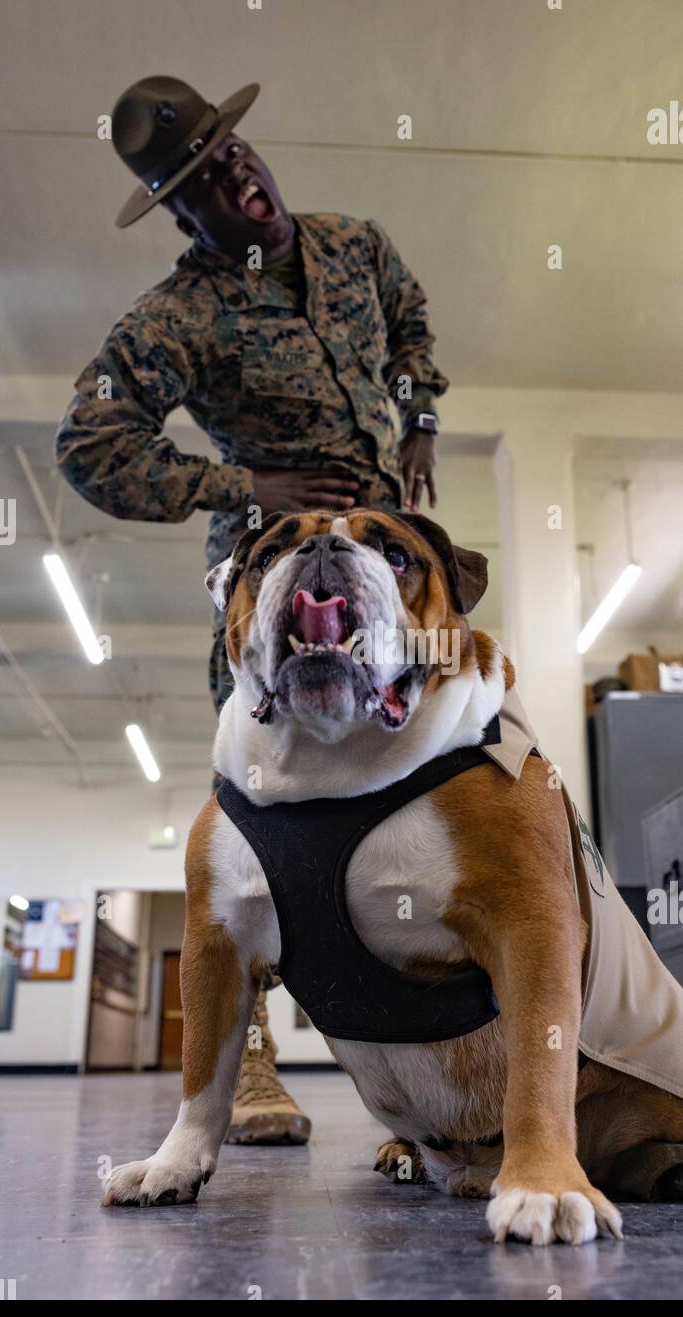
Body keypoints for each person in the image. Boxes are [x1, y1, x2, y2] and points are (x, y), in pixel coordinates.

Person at [56, 76, 449, 1144]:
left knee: (417, 777)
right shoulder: (176, 316)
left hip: (383, 565)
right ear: (183, 216)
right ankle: (256, 1062)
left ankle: (432, 1055)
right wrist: (244, 488)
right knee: (260, 805)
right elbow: (89, 447)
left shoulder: (352, 245)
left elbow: (412, 325)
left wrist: (416, 421)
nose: (239, 177)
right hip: (274, 579)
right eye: (205, 182)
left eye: (235, 153)